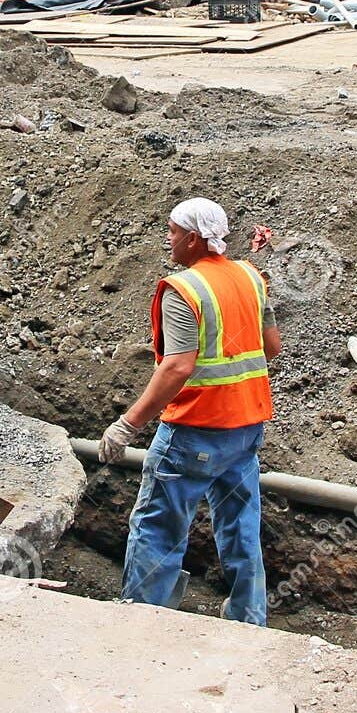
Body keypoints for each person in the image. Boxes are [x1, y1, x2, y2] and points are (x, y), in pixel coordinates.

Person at [99, 197, 281, 625]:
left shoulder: (184, 290)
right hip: (245, 428)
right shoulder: (250, 276)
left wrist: (127, 425)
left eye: (174, 231)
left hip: (194, 430)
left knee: (158, 528)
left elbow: (177, 366)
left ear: (194, 239)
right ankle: (248, 618)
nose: (169, 238)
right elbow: (271, 347)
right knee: (241, 527)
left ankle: (144, 621)